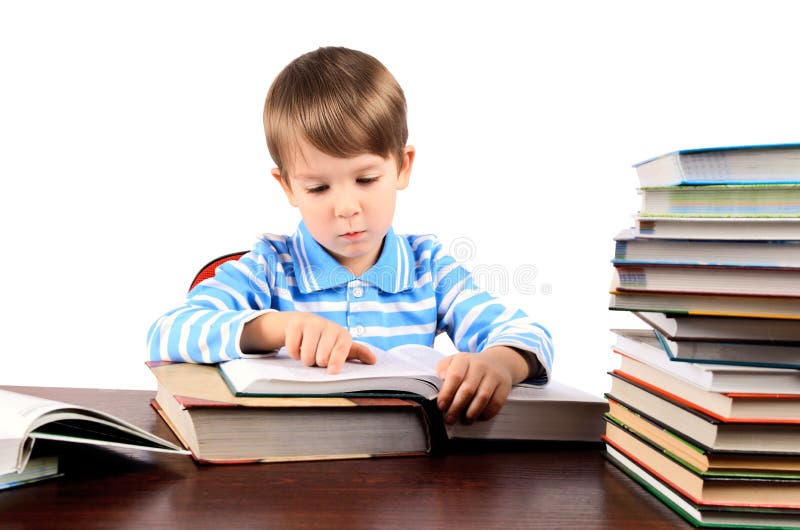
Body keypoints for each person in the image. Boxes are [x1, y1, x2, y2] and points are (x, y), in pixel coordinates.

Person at [147, 46, 553, 425]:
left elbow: (530, 336)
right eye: (318, 188)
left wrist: (500, 363)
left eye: (366, 178)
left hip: (408, 471)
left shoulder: (428, 268)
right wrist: (278, 328)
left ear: (402, 167)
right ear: (287, 187)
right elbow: (166, 333)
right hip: (290, 466)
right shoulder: (269, 267)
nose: (346, 207)